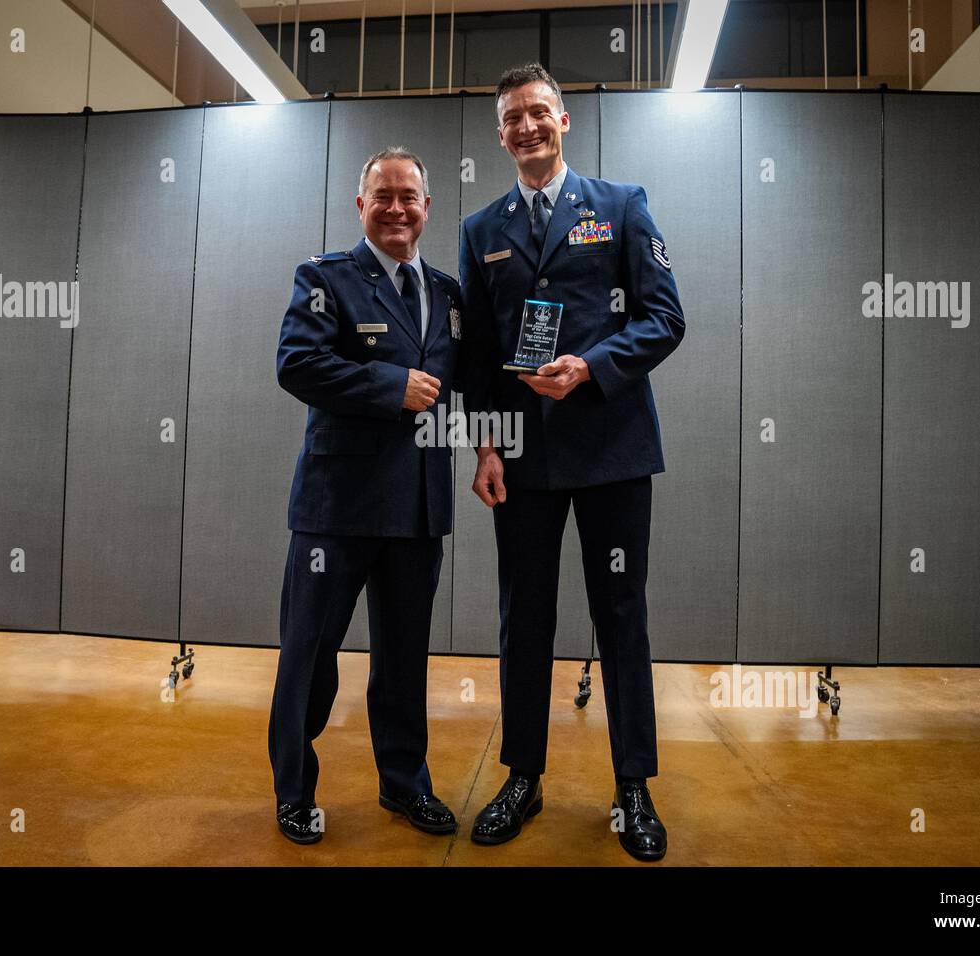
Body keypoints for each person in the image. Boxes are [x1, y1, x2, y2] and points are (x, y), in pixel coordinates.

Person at [458, 64, 686, 861]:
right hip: (521, 457)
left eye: (538, 113)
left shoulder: (622, 206)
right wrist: (484, 444)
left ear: (565, 122)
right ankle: (523, 776)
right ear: (501, 134)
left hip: (612, 448)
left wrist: (590, 367)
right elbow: (480, 355)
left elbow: (666, 319)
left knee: (621, 613)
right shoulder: (482, 228)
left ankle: (632, 786)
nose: (526, 127)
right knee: (525, 615)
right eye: (512, 117)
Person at [269, 146, 464, 844]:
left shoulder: (446, 292)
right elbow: (297, 363)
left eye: (408, 196)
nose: (396, 208)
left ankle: (405, 785)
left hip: (418, 507)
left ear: (426, 208)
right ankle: (295, 791)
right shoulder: (324, 277)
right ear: (362, 206)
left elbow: (472, 379)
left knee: (405, 657)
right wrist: (389, 387)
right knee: (310, 654)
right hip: (336, 509)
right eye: (382, 195)